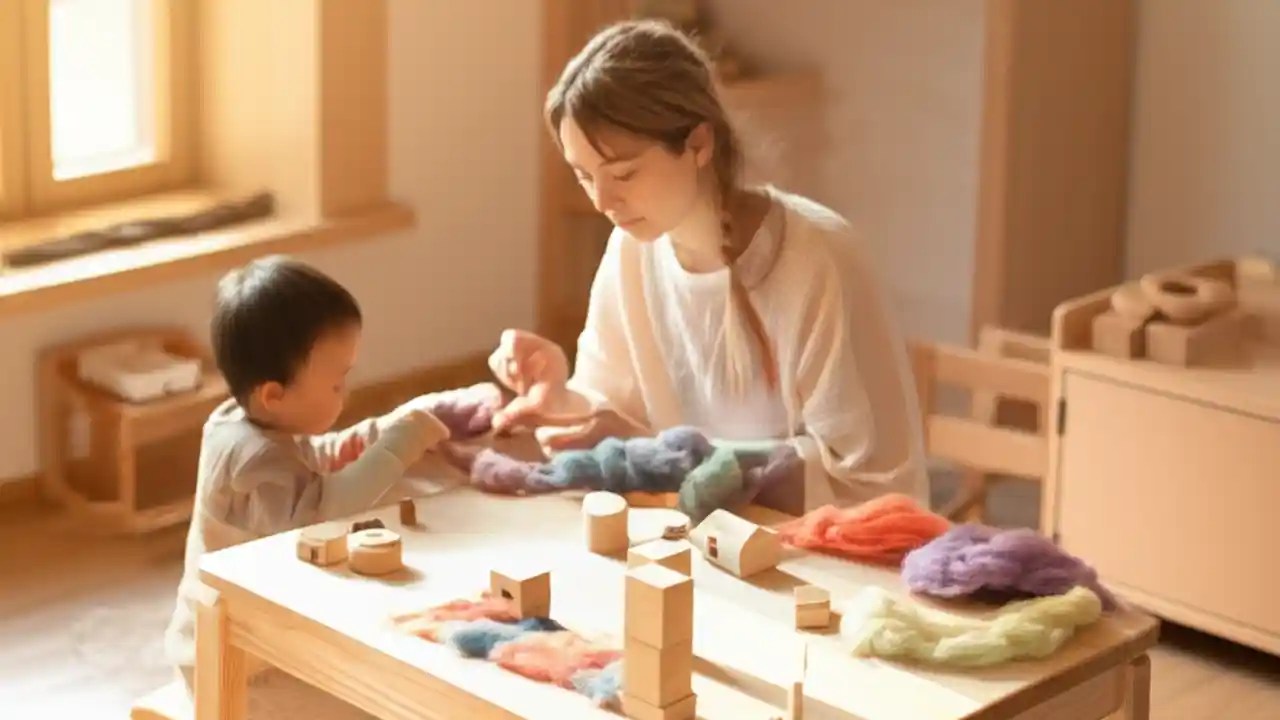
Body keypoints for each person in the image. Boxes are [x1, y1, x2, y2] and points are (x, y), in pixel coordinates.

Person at [488, 19, 927, 514]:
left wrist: (693, 463)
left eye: (624, 173)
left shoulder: (818, 261)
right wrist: (561, 396)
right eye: (584, 176)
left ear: (698, 144)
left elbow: (873, 487)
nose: (603, 200)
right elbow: (624, 434)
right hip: (691, 547)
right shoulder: (631, 252)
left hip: (810, 565)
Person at [163, 255, 449, 692]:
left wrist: (370, 437)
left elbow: (310, 460)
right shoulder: (254, 463)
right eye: (337, 384)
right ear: (274, 395)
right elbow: (318, 516)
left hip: (247, 636)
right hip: (234, 662)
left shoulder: (242, 421)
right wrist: (398, 446)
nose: (346, 394)